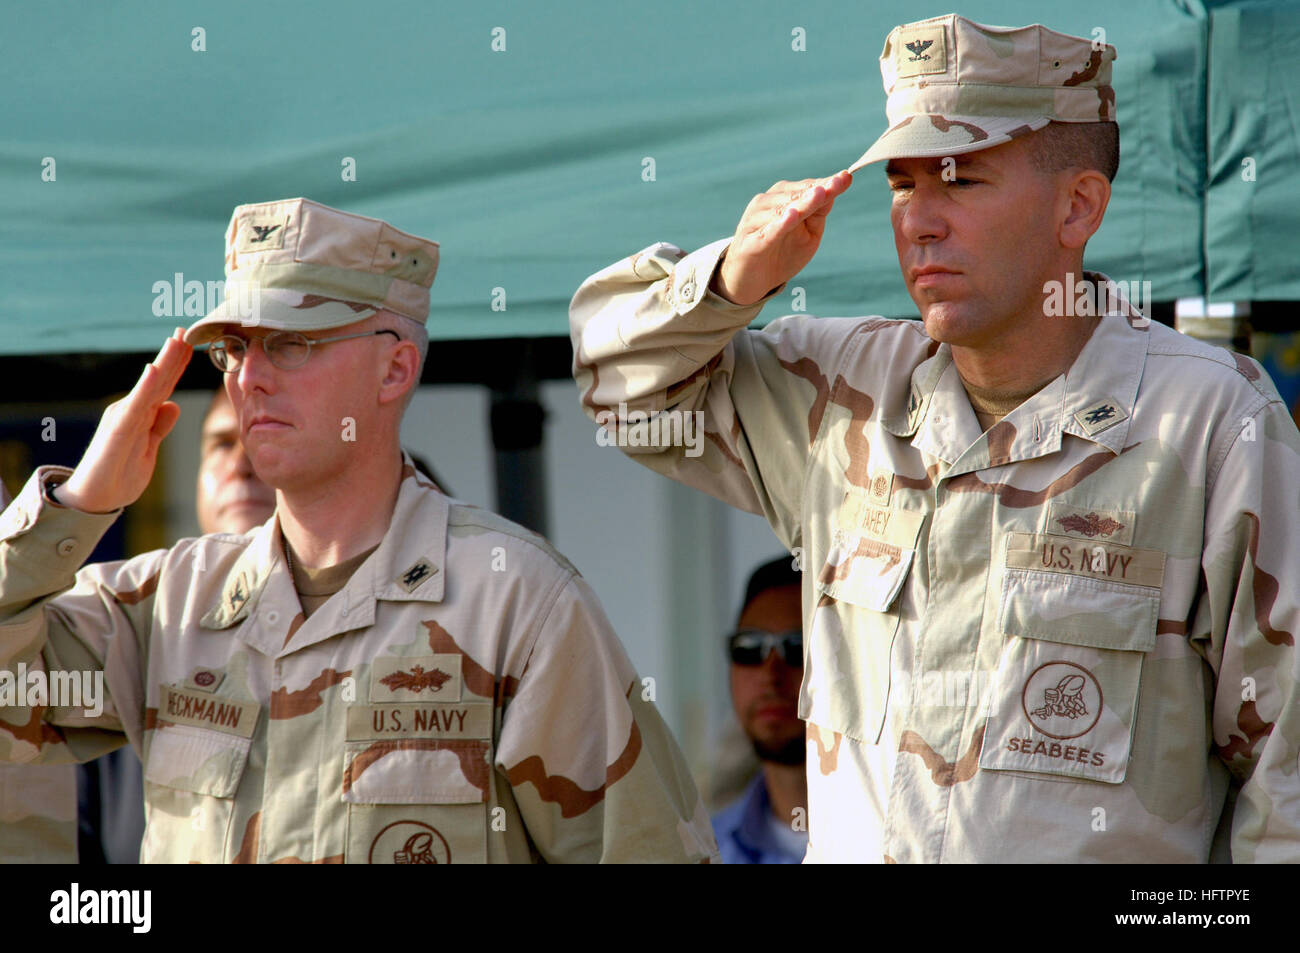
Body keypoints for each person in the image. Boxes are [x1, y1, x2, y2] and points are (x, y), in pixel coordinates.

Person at [570, 13, 1300, 862]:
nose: (919, 219)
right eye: (902, 184)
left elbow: (1285, 782)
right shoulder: (844, 395)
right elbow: (616, 386)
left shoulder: (1209, 424)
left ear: (1078, 205)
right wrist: (732, 281)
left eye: (958, 180)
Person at [0, 197, 718, 863]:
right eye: (236, 349)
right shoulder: (174, 601)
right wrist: (77, 507)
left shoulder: (515, 602)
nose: (249, 378)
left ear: (394, 368)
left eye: (291, 344)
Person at [712, 556, 807, 864]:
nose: (771, 674)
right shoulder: (702, 851)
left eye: (797, 647)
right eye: (749, 648)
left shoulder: (914, 840)